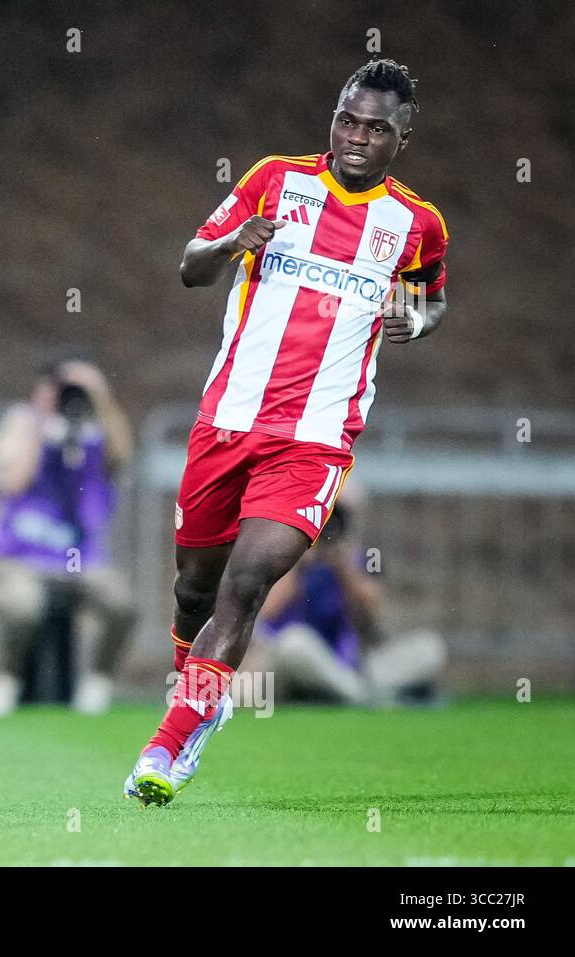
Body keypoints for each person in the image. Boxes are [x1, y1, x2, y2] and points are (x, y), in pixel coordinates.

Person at [124, 59, 450, 806]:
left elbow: (433, 299)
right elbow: (190, 268)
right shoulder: (276, 179)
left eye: (376, 128)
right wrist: (237, 238)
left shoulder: (417, 224)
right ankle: (201, 693)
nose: (356, 138)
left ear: (404, 137)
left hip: (314, 441)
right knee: (193, 589)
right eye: (346, 119)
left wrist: (417, 319)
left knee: (245, 585)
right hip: (226, 422)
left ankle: (169, 745)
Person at [0, 357, 136, 715]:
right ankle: (4, 679)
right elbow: (12, 482)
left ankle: (97, 684)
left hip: (77, 558)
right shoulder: (23, 421)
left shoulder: (96, 429)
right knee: (23, 605)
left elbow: (123, 455)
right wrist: (42, 421)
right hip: (18, 555)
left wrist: (99, 396)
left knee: (120, 601)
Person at [243, 501, 446, 705]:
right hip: (291, 661)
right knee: (294, 643)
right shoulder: (287, 559)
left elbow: (374, 615)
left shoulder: (365, 559)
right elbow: (265, 614)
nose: (324, 539)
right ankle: (366, 697)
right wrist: (299, 563)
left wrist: (343, 566)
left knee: (429, 648)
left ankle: (352, 694)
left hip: (351, 665)